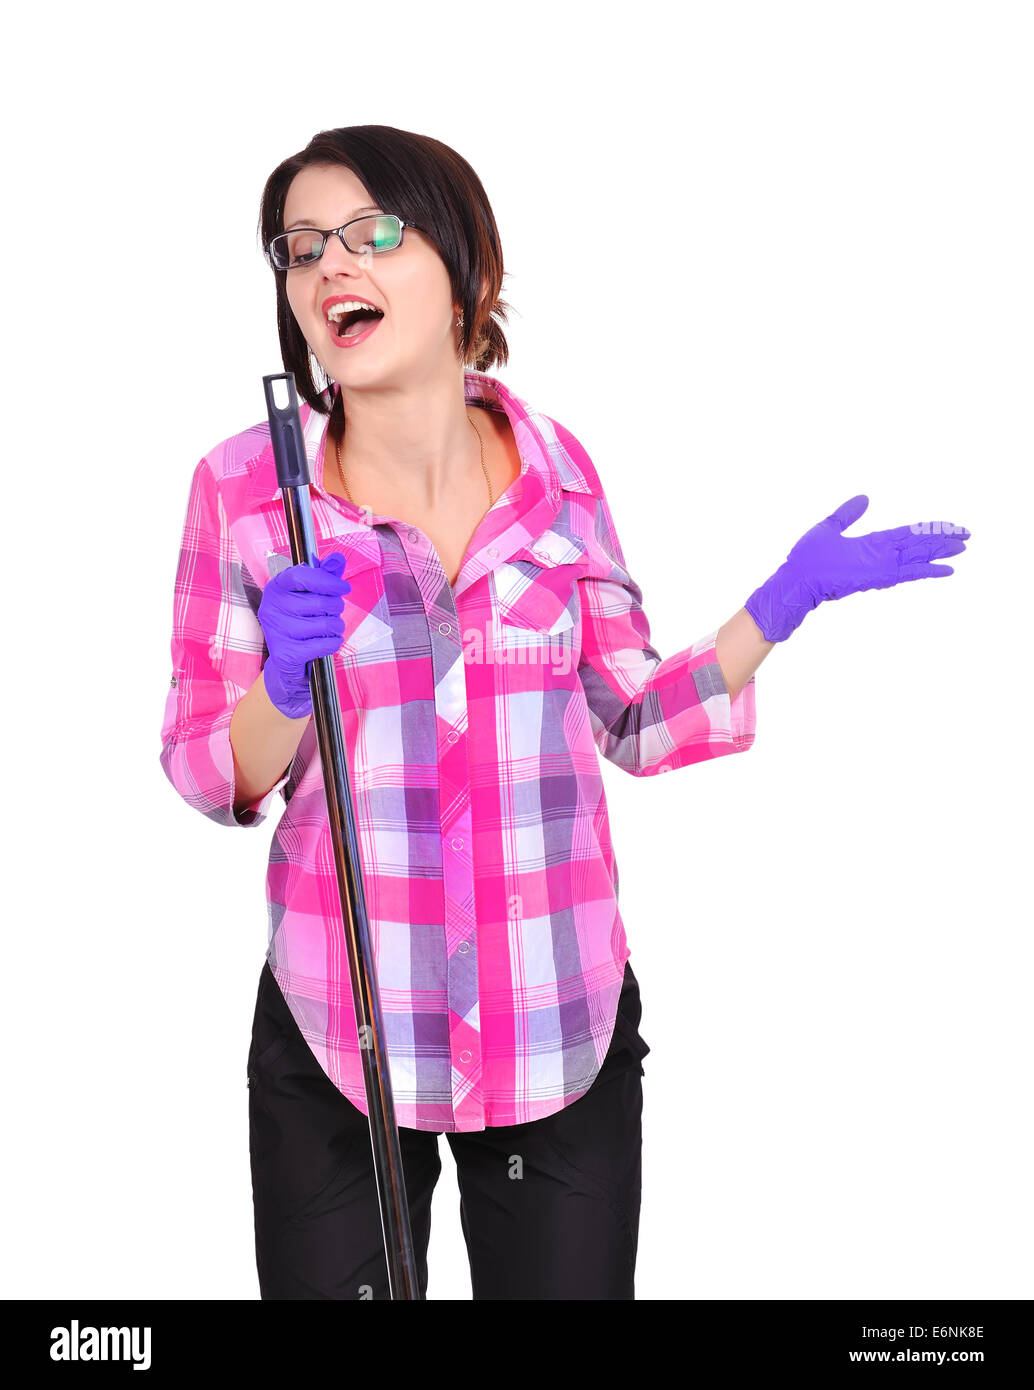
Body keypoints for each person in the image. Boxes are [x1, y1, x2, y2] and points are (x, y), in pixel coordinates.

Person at [159, 124, 971, 1300]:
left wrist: (772, 611)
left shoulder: (558, 474)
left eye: (369, 232)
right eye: (298, 248)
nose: (328, 266)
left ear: (460, 266)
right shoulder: (247, 490)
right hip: (343, 1024)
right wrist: (283, 687)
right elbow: (205, 769)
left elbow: (633, 719)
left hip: (555, 1019)